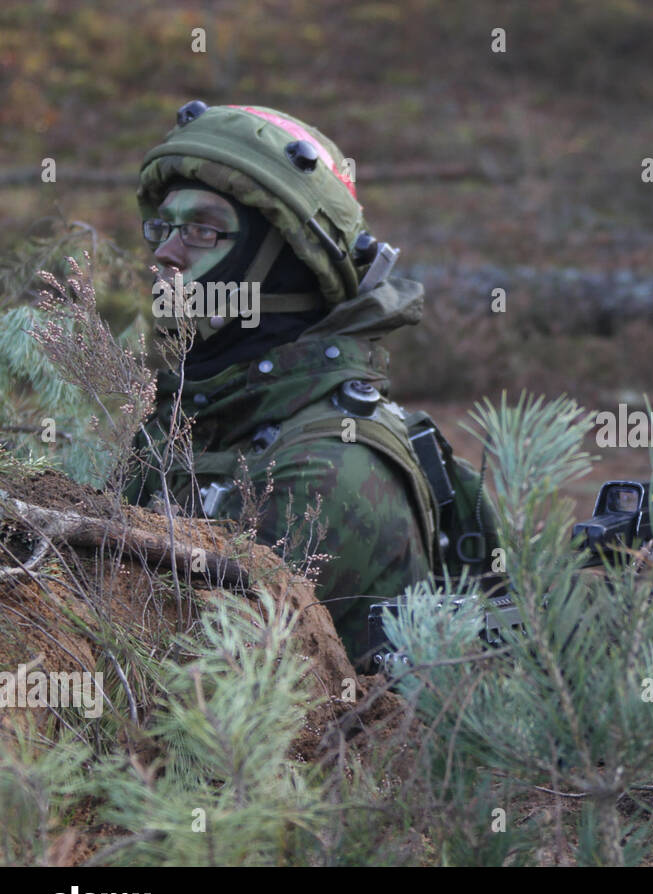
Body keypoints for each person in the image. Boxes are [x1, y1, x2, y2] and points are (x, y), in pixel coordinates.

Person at [123, 102, 492, 666]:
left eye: (202, 230)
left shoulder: (328, 468)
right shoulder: (195, 420)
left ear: (286, 263)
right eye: (164, 228)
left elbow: (186, 702)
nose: (166, 254)